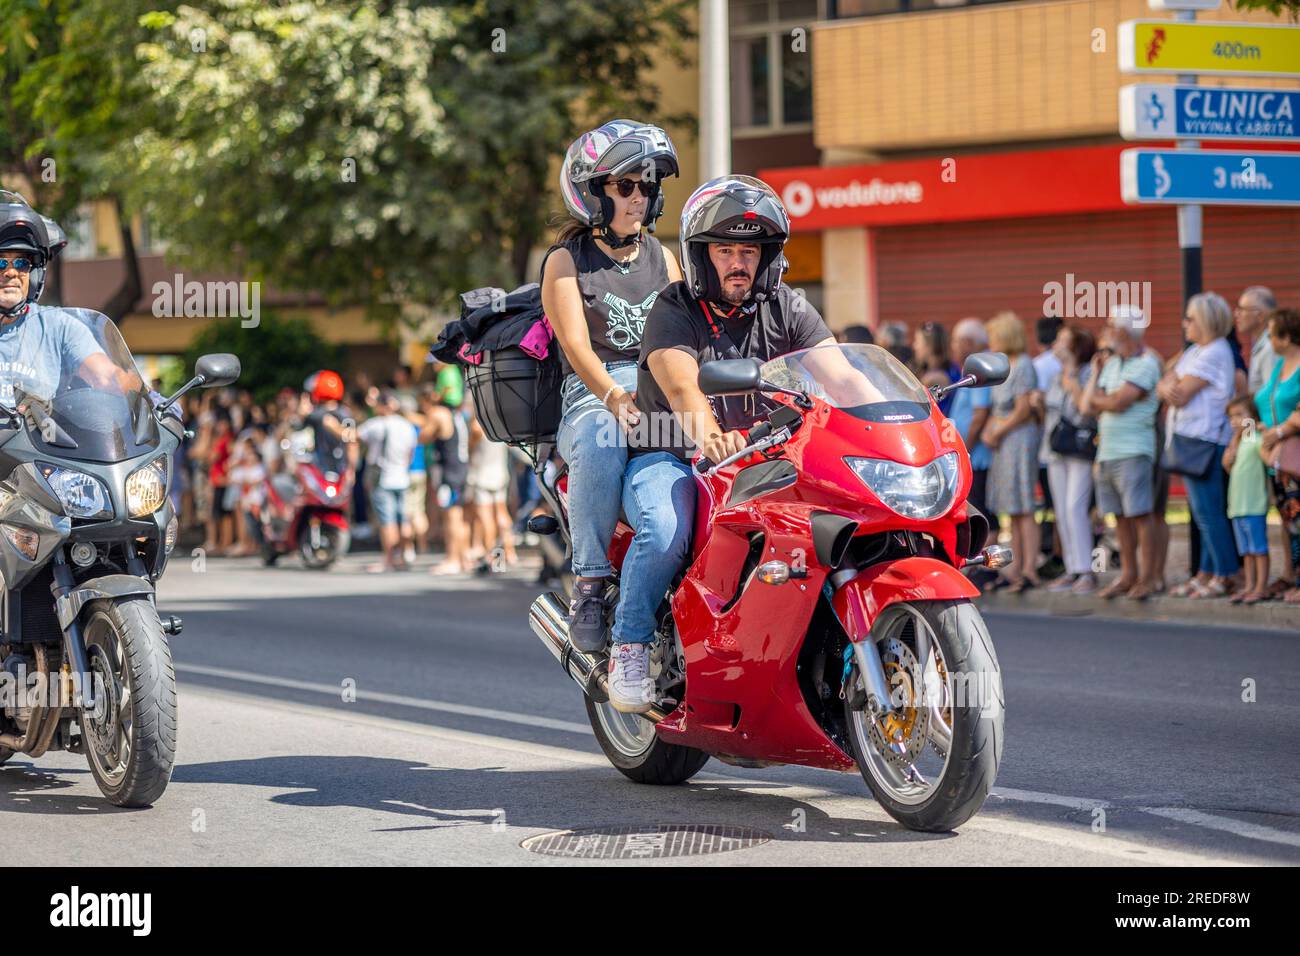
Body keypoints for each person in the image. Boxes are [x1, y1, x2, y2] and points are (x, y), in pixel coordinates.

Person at [609, 174, 838, 713]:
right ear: (701, 255)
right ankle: (632, 644)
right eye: (726, 249)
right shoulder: (675, 307)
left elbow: (840, 373)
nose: (739, 261)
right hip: (671, 452)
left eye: (750, 250)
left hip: (762, 456)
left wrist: (900, 408)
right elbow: (682, 384)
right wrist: (710, 436)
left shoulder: (787, 306)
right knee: (666, 526)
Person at [541, 120, 682, 653]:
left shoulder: (662, 257)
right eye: (625, 187)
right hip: (593, 396)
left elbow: (683, 335)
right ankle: (592, 584)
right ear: (591, 192)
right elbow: (577, 348)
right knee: (602, 434)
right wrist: (615, 398)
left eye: (647, 187)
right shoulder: (566, 261)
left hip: (658, 394)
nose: (639, 198)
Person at [0, 192, 141, 406]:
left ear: (34, 274)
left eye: (21, 264)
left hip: (38, 440)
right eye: (0, 263)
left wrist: (148, 398)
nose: (11, 272)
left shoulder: (58, 325)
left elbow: (104, 375)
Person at [1158, 292, 1238, 599]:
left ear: (1204, 320)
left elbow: (1179, 391)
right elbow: (1165, 382)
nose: (1184, 323)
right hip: (1190, 440)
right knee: (1202, 513)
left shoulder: (1215, 351)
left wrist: (1169, 386)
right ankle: (1206, 572)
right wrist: (1168, 386)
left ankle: (1225, 573)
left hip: (1205, 441)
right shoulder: (1194, 351)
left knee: (1210, 513)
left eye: (1190, 318)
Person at [1083, 305, 1163, 601]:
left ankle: (1148, 578)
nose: (1105, 331)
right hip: (1108, 451)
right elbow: (1091, 404)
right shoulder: (1112, 364)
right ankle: (1128, 575)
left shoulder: (1147, 363)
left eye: (1110, 326)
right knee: (1120, 517)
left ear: (1123, 331)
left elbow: (1117, 402)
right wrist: (1103, 391)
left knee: (1141, 514)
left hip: (1134, 450)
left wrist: (1106, 399)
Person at [981, 312, 1042, 592]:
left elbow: (1023, 408)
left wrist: (998, 431)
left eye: (994, 335)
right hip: (1005, 438)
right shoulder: (1004, 365)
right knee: (1012, 508)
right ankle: (1015, 567)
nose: (990, 341)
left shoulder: (1023, 365)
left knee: (1024, 504)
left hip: (1019, 438)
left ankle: (1029, 568)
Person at [1042, 324, 1098, 594]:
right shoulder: (1055, 376)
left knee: (1076, 507)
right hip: (1055, 448)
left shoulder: (1086, 373)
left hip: (1079, 448)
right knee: (1062, 510)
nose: (1056, 344)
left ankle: (1087, 570)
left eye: (1063, 340)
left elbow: (1084, 412)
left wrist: (1073, 379)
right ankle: (1072, 567)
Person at [1256, 307, 1300, 605]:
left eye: (1272, 334)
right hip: (1277, 459)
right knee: (1287, 521)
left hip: (1294, 455)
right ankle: (1290, 574)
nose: (1268, 339)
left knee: (1298, 520)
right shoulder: (1279, 366)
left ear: (1286, 336)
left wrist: (1280, 432)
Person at [357, 390, 417, 573]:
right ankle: (406, 553)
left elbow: (353, 436)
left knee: (387, 521)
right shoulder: (407, 426)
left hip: (383, 478)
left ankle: (390, 559)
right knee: (403, 519)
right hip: (402, 477)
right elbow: (411, 454)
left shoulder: (375, 425)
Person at [949, 318, 996, 543]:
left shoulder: (980, 365)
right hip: (972, 453)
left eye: (956, 342)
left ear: (967, 342)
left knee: (981, 509)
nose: (953, 347)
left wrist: (964, 449)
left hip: (976, 455)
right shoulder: (974, 364)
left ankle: (985, 561)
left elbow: (980, 414)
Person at [1223, 395, 1270, 605]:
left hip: (1253, 505)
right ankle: (1249, 585)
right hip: (1237, 507)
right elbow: (1227, 465)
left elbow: (1267, 457)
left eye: (1240, 415)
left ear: (1252, 417)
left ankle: (1261, 586)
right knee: (1247, 552)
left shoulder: (1253, 440)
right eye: (1232, 416)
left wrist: (1261, 430)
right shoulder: (1237, 443)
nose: (1235, 420)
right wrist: (1232, 446)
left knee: (1258, 549)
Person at [913, 321, 960, 414]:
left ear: (930, 346)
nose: (915, 346)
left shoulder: (935, 378)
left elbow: (914, 407)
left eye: (917, 341)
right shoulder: (951, 367)